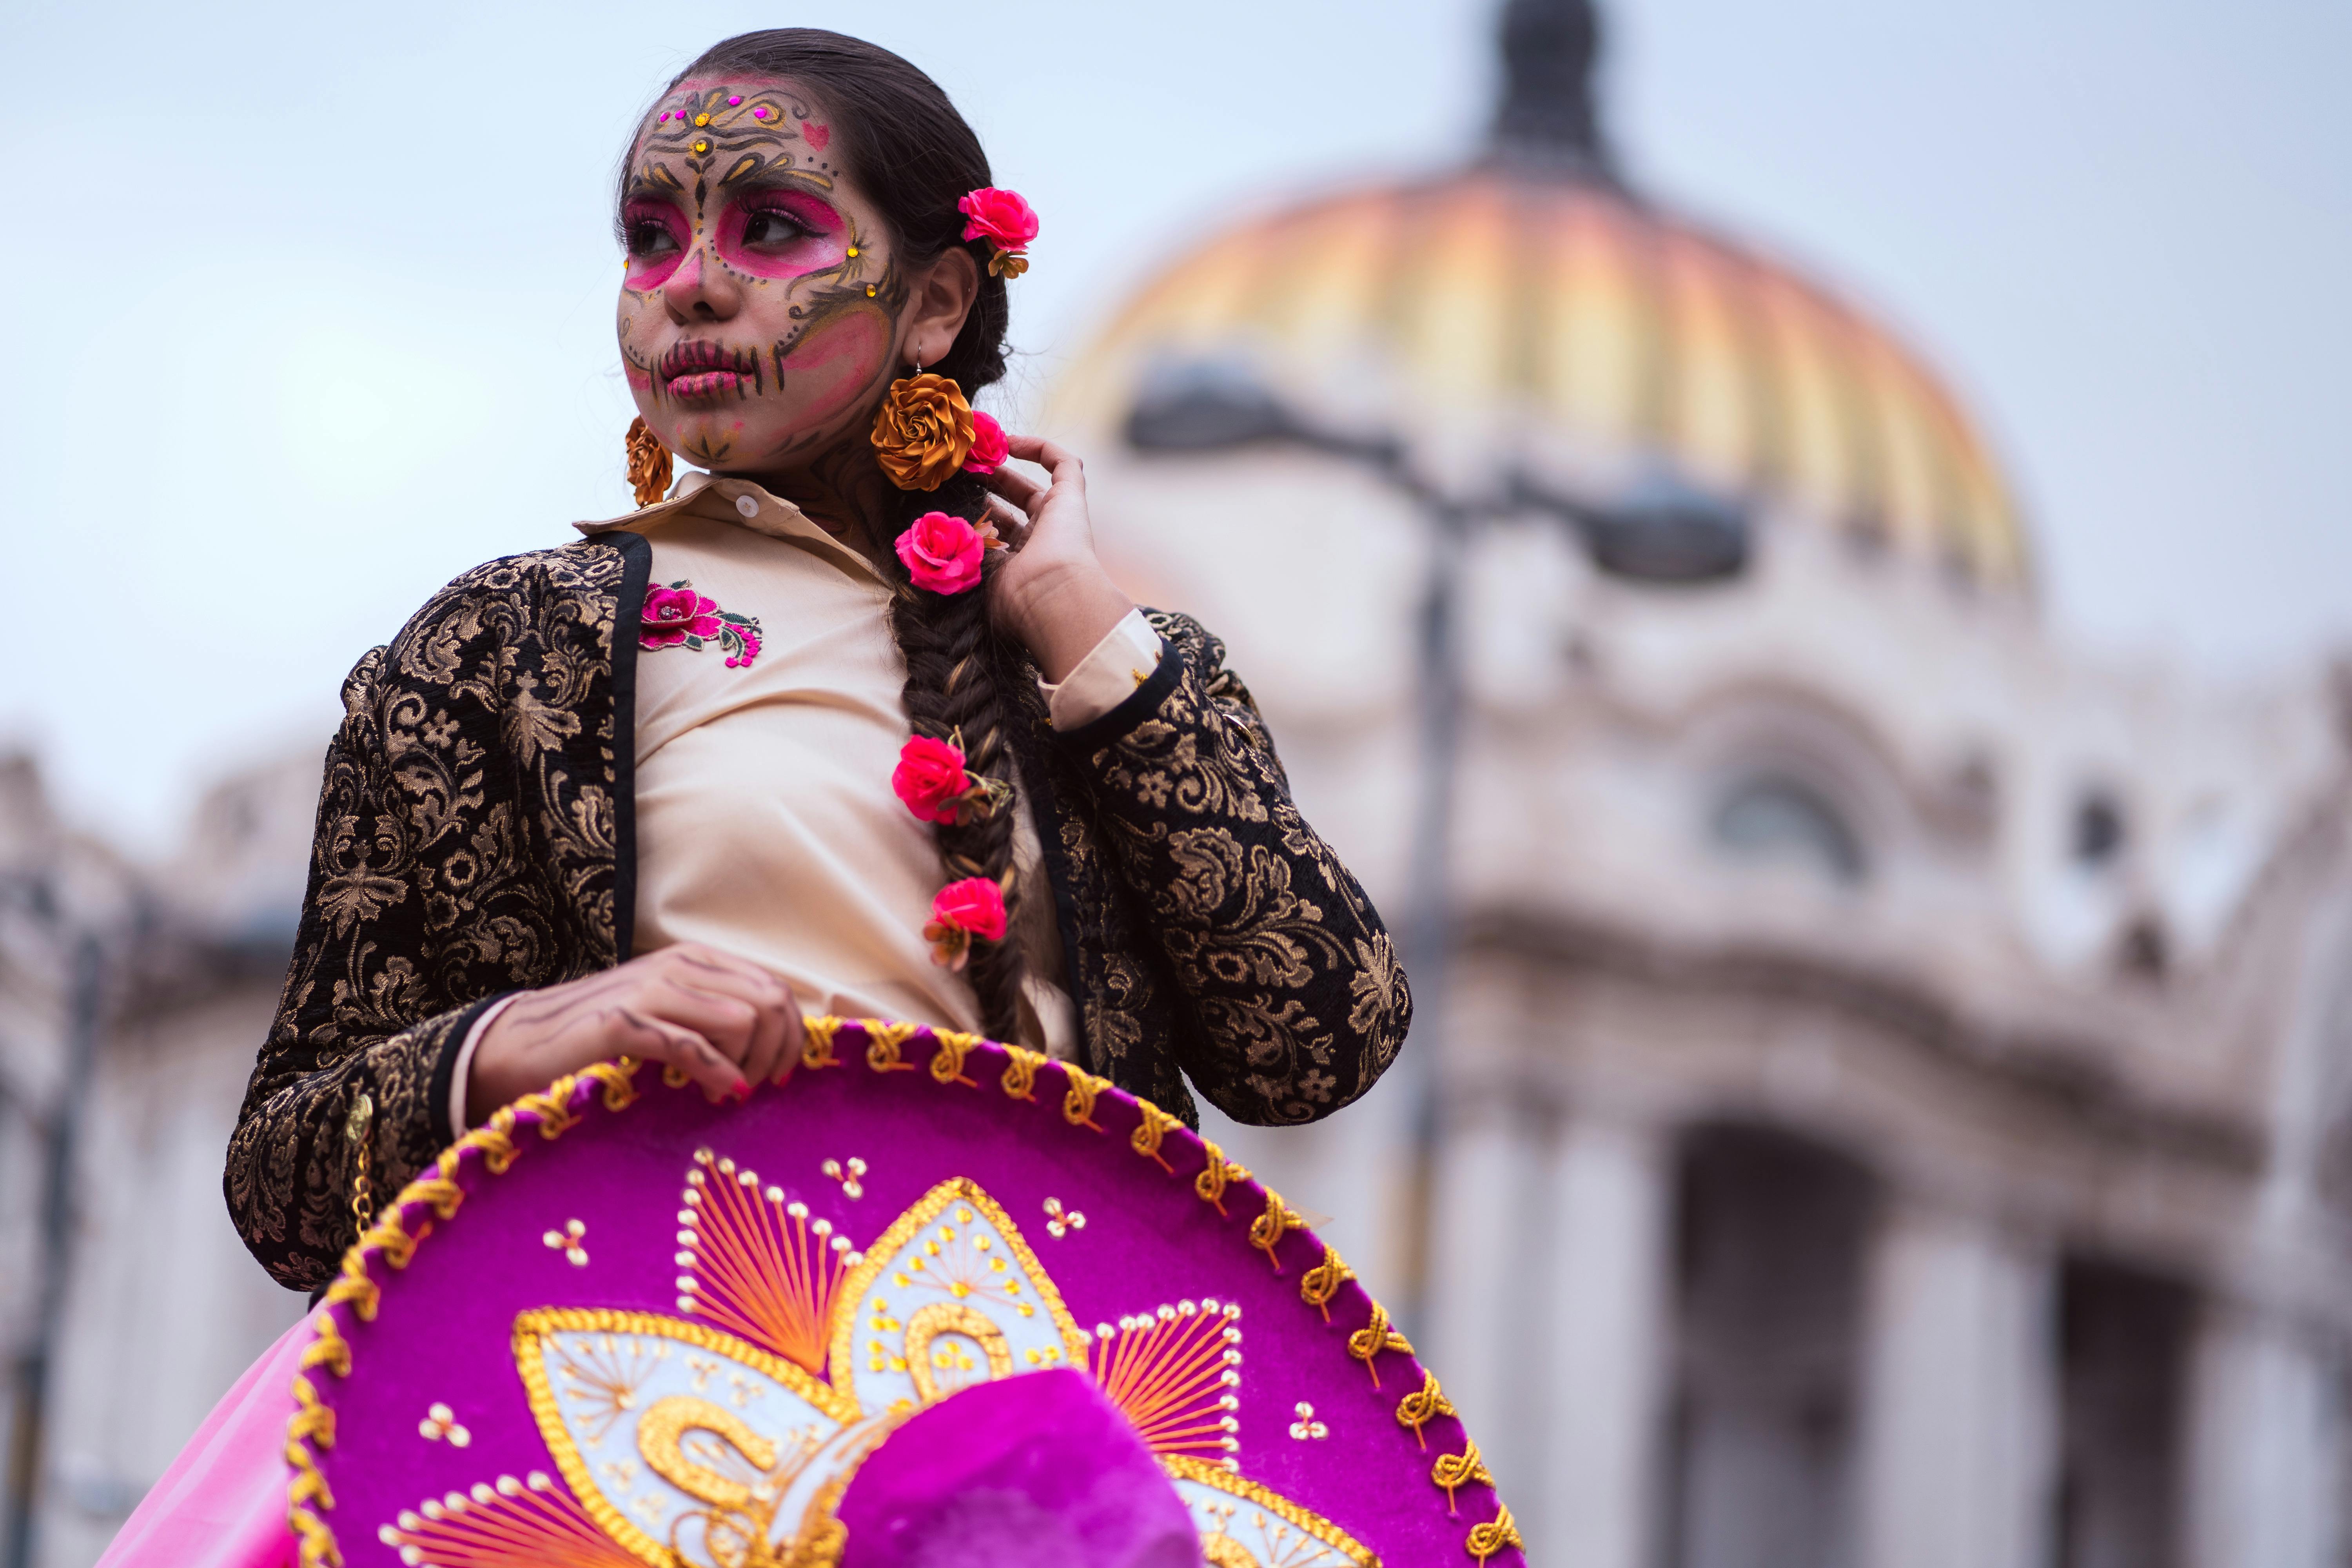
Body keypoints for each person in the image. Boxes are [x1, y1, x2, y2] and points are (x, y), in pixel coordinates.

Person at [221, 27, 1409, 1297]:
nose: (689, 284)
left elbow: (1315, 1047)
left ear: (938, 302)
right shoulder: (506, 652)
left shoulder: (1115, 670)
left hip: (1045, 1404)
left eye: (771, 229)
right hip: (650, 1387)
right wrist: (518, 1044)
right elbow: (288, 1188)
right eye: (649, 238)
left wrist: (1076, 622)